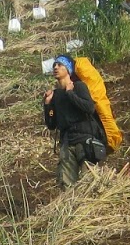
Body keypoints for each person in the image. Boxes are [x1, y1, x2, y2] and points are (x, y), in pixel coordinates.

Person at [42, 55, 100, 188]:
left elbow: (89, 108)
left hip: (85, 140)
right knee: (66, 185)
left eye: (60, 65)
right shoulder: (55, 95)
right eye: (54, 65)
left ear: (68, 69)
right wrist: (48, 104)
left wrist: (70, 94)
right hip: (67, 143)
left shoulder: (79, 87)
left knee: (90, 181)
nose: (56, 67)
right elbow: (51, 124)